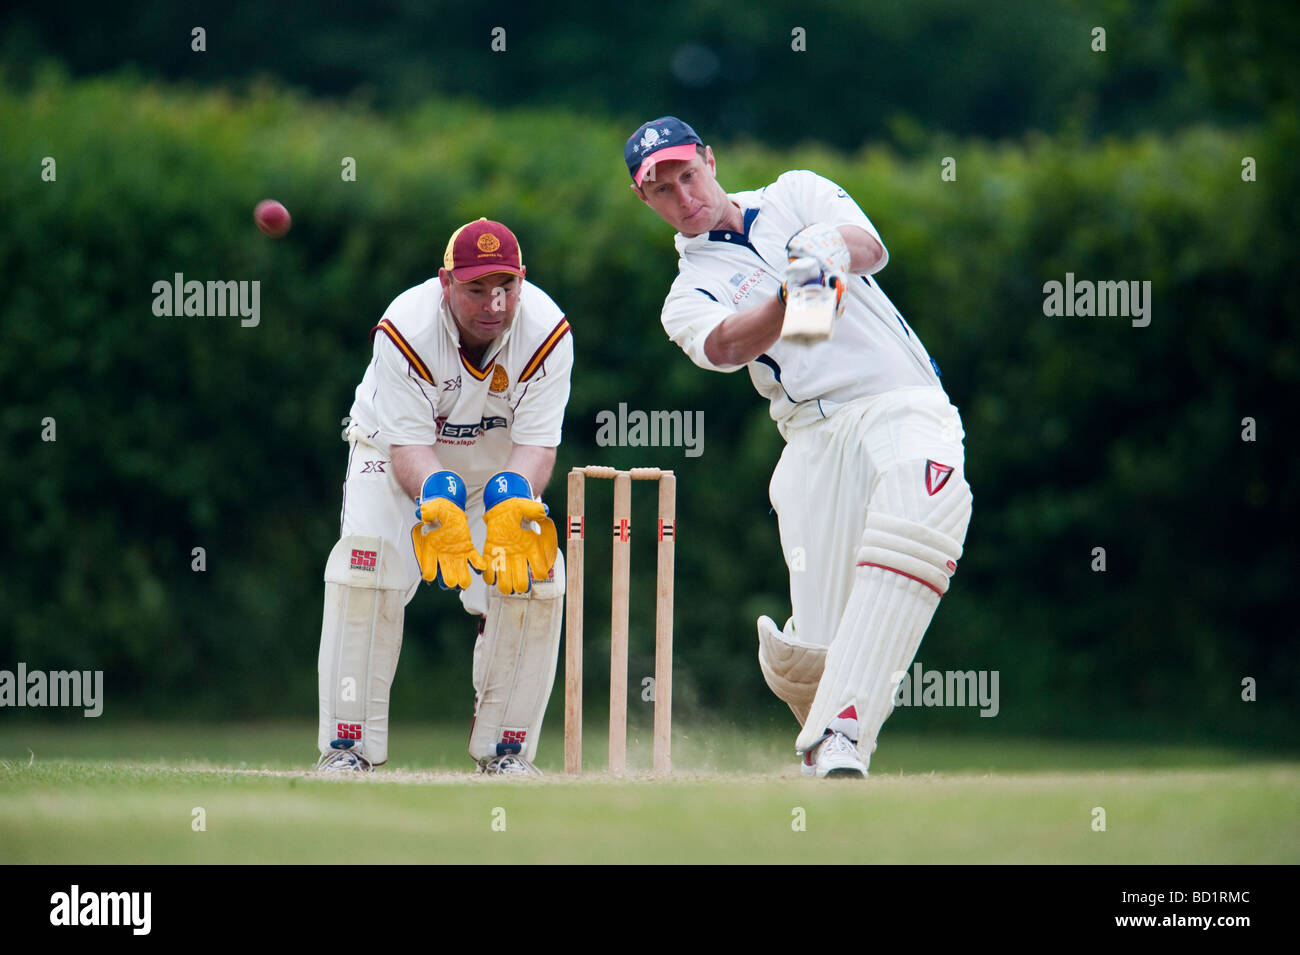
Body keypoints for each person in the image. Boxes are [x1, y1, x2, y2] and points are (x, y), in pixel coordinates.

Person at [625, 117, 972, 778]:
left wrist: (824, 251)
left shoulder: (797, 193)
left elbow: (867, 246)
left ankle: (840, 733)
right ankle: (820, 711)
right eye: (663, 189)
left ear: (709, 159)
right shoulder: (685, 295)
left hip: (901, 397)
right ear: (648, 201)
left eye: (687, 174)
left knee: (921, 514)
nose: (683, 195)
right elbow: (726, 345)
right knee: (812, 655)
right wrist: (795, 296)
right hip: (814, 435)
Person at [315, 218, 573, 775]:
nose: (493, 304)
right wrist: (439, 503)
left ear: (522, 281)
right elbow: (409, 449)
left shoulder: (549, 332)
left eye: (505, 286)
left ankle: (505, 751)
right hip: (391, 459)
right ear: (445, 282)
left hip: (497, 470)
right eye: (476, 288)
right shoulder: (404, 328)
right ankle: (348, 747)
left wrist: (509, 504)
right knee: (368, 571)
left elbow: (537, 447)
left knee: (537, 573)